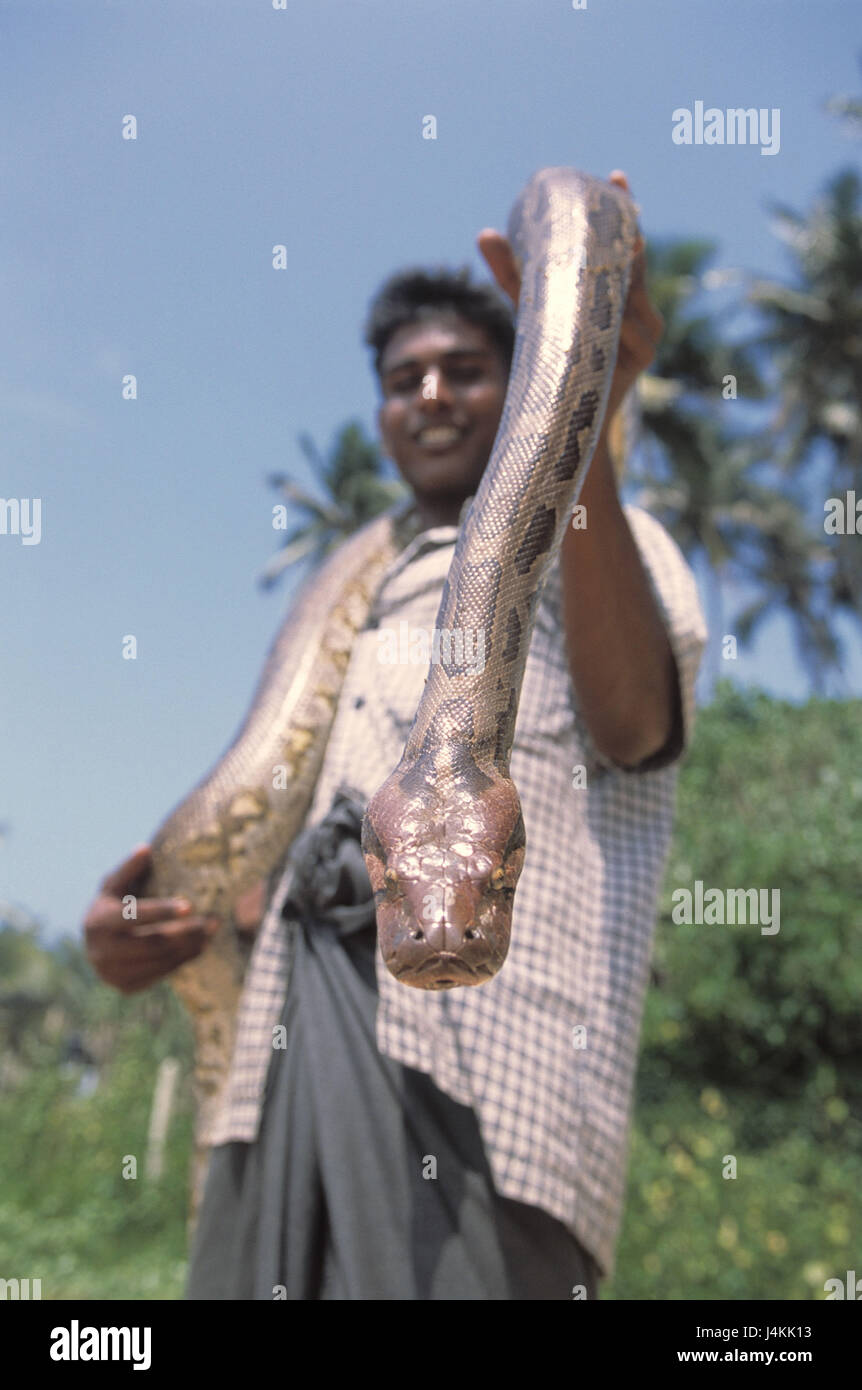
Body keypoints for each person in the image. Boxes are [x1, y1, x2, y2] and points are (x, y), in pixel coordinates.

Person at [84, 171, 707, 1299]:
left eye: (467, 371)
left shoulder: (611, 541)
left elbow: (636, 727)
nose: (429, 395)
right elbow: (249, 862)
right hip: (273, 1086)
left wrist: (589, 422)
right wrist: (146, 925)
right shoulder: (343, 592)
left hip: (499, 1112)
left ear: (521, 381)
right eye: (401, 380)